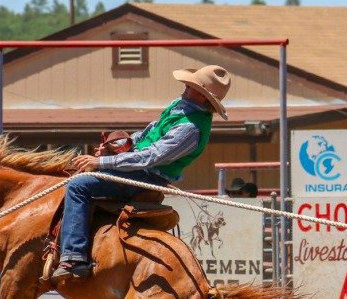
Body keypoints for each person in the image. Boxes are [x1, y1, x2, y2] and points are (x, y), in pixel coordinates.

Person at [52, 65, 230, 278]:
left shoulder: (191, 128)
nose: (184, 87)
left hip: (145, 176)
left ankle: (74, 257)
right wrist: (119, 145)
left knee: (78, 185)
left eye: (190, 86)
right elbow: (150, 133)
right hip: (138, 169)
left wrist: (103, 162)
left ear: (202, 96)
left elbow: (152, 156)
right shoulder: (182, 108)